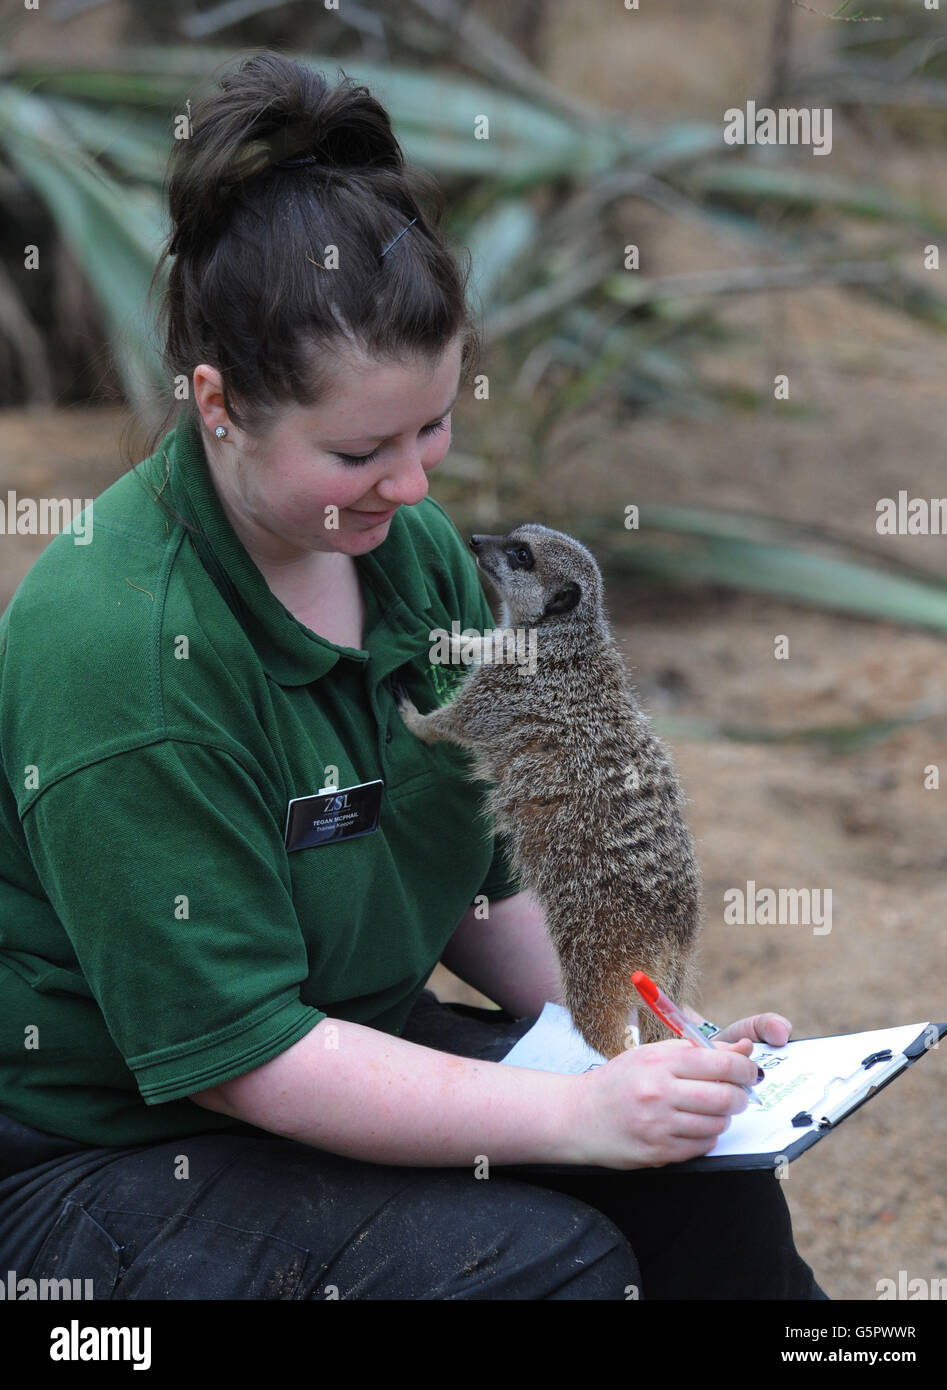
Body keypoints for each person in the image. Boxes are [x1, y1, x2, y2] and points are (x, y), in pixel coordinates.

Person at [0, 50, 826, 1300]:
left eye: (433, 425)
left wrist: (656, 1037)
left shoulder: (410, 553)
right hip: (110, 1150)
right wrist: (573, 1119)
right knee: (539, 1269)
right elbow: (244, 1056)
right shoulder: (126, 656)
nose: (414, 483)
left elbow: (472, 892)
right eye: (359, 447)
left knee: (705, 1183)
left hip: (350, 1038)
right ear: (216, 403)